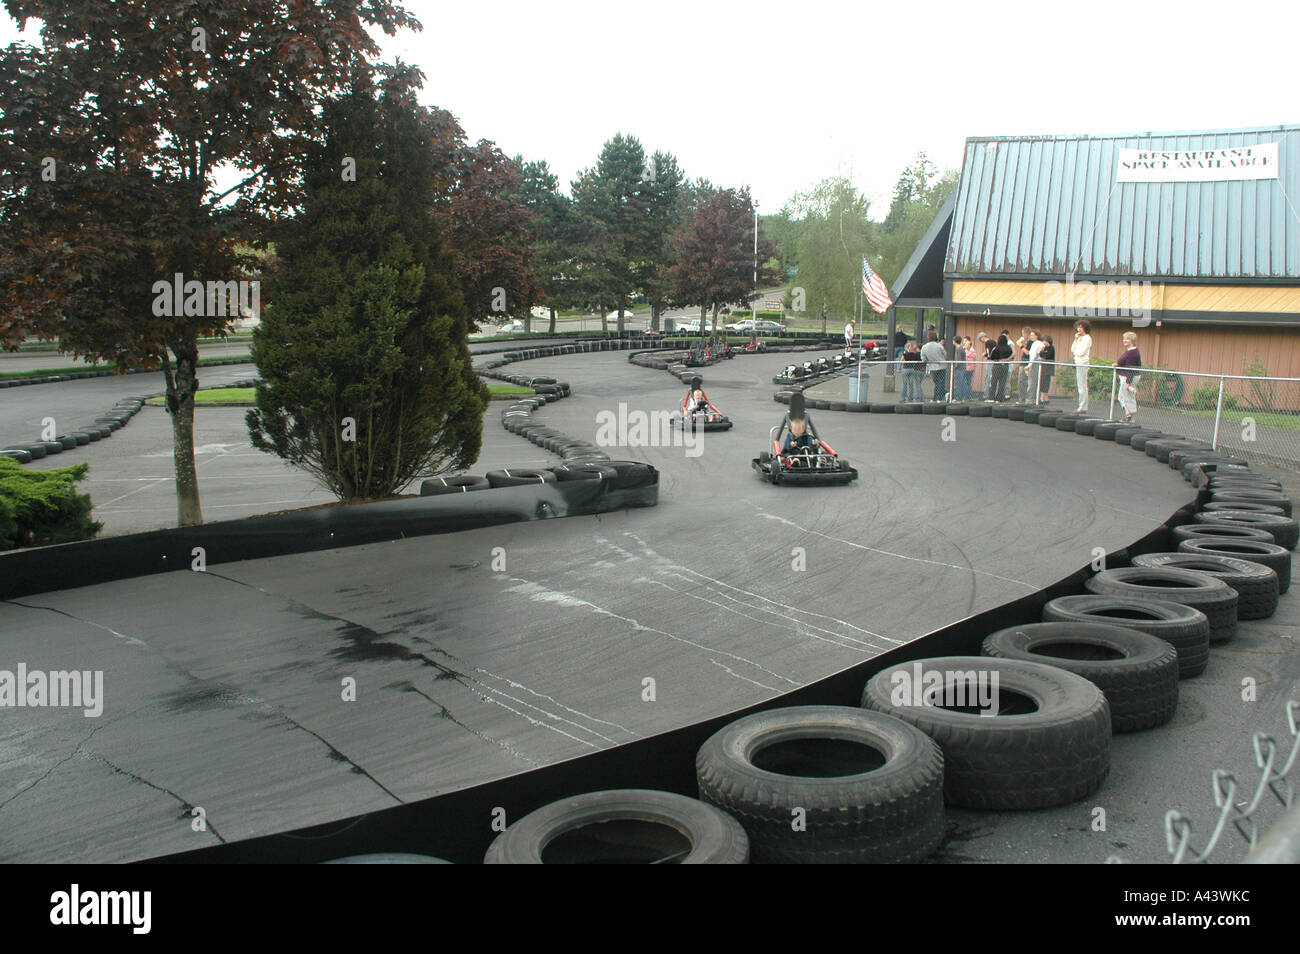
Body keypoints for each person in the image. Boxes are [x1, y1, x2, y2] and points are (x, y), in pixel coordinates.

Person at [1116, 331, 1142, 423]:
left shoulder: (1132, 353)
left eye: (1127, 339)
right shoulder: (1131, 351)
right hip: (1128, 376)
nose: (1124, 340)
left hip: (1129, 377)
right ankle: (1129, 415)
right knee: (1123, 396)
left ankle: (1130, 416)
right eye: (1124, 338)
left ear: (1132, 340)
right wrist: (1117, 364)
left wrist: (1128, 382)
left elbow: (1131, 369)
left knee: (1126, 397)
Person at [1071, 320, 1093, 413]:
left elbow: (1081, 352)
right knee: (1080, 385)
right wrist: (1076, 339)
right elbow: (1072, 349)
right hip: (1078, 362)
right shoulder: (1079, 338)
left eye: (1081, 327)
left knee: (1082, 386)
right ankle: (1082, 406)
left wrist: (1076, 352)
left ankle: (1082, 407)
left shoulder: (1087, 338)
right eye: (1078, 327)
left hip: (1083, 363)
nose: (1079, 329)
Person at [920, 331, 947, 402]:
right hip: (942, 366)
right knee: (940, 382)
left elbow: (923, 359)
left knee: (936, 382)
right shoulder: (939, 346)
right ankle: (940, 397)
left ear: (928, 337)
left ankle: (937, 397)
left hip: (932, 367)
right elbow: (945, 354)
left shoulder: (924, 347)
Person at [1020, 330, 1043, 404]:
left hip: (1034, 364)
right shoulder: (1033, 344)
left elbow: (1036, 355)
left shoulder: (1039, 343)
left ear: (1037, 336)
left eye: (1033, 335)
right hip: (1031, 363)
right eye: (1031, 335)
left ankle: (1031, 400)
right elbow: (1030, 354)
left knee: (1032, 383)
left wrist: (1029, 365)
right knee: (1030, 382)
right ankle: (1031, 399)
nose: (1031, 337)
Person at [1038, 335, 1056, 404]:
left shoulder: (1051, 348)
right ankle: (1042, 398)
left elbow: (1047, 356)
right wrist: (1041, 352)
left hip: (1048, 368)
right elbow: (1040, 354)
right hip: (1043, 368)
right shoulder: (1044, 348)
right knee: (1042, 382)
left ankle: (1045, 398)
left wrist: (1042, 352)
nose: (1043, 342)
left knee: (1046, 382)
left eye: (1044, 341)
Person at [963, 336, 976, 402]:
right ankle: (966, 395)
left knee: (968, 382)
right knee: (966, 382)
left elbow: (967, 357)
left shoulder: (971, 350)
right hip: (965, 368)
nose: (964, 342)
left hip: (969, 368)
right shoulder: (965, 349)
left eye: (965, 341)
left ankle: (968, 396)